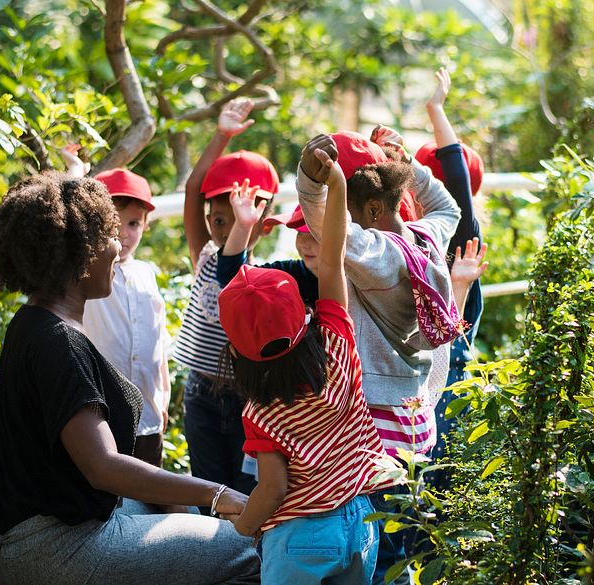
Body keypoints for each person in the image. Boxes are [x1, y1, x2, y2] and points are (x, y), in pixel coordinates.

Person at [0, 172, 260, 585]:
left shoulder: (32, 320)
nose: (117, 246)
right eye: (106, 235)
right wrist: (216, 493)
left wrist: (192, 499)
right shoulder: (61, 344)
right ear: (77, 257)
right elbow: (103, 467)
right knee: (251, 549)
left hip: (14, 529)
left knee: (172, 510)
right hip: (51, 548)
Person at [216, 146, 397, 584]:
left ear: (238, 352)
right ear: (304, 313)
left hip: (299, 538)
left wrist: (239, 529)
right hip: (359, 524)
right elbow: (334, 258)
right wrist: (332, 184)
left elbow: (273, 488)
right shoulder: (338, 345)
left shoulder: (261, 413)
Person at [295, 129, 460, 585]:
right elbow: (449, 207)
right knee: (402, 538)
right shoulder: (427, 240)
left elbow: (324, 227)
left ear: (370, 210)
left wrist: (309, 182)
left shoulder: (378, 256)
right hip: (416, 420)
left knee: (376, 546)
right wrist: (408, 164)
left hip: (377, 423)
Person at [172, 98, 279, 504]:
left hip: (245, 398)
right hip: (201, 393)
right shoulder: (204, 256)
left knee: (245, 494)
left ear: (263, 226)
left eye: (240, 218)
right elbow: (192, 191)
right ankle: (211, 563)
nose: (226, 228)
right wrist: (221, 136)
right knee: (208, 491)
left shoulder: (267, 279)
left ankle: (244, 565)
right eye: (219, 219)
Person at [413, 68, 489, 491]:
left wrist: (436, 109)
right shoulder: (417, 236)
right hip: (423, 375)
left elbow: (456, 181)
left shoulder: (460, 238)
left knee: (436, 479)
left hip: (447, 378)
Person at [78, 168, 172, 475]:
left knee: (152, 485)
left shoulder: (146, 273)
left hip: (149, 414)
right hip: (106, 413)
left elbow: (158, 339)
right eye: (114, 223)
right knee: (113, 487)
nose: (124, 233)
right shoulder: (88, 273)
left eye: (134, 224)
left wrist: (165, 394)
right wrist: (76, 172)